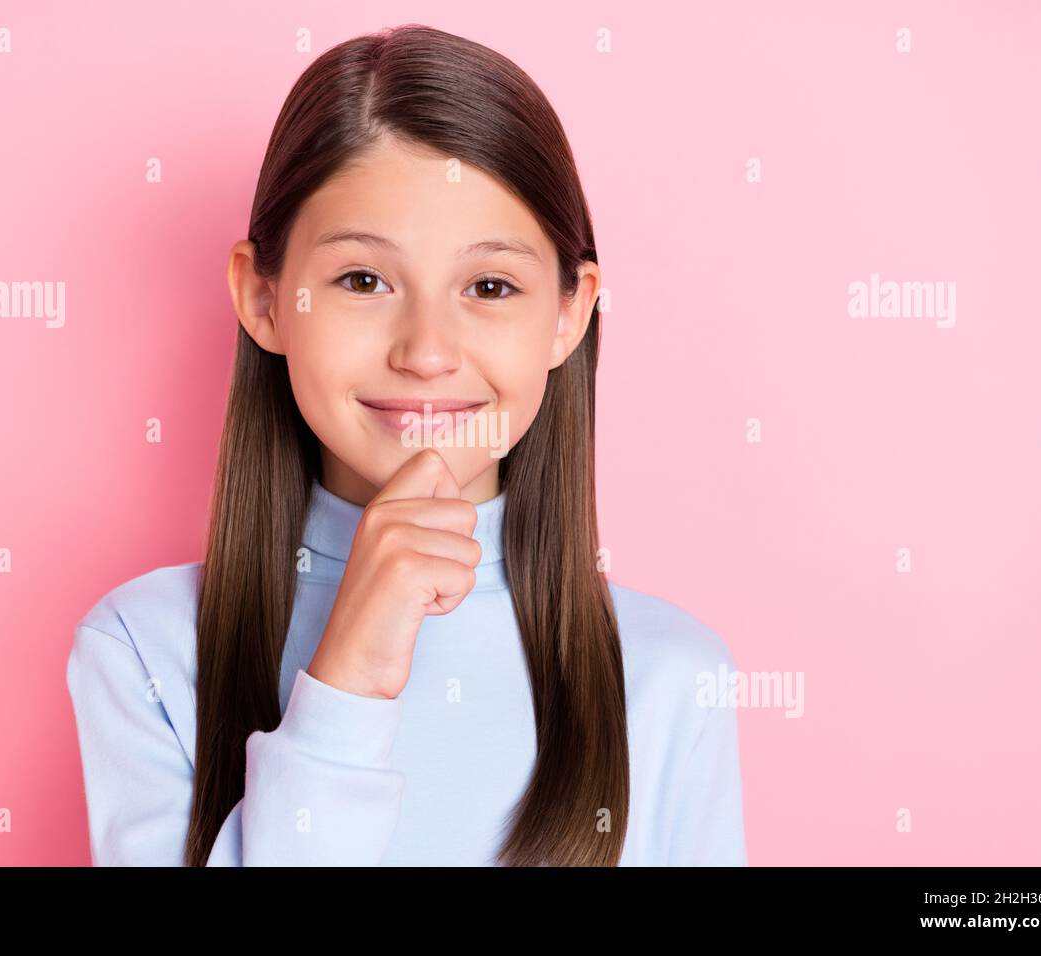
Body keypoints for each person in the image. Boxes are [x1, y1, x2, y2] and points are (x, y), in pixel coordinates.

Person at [66, 23, 746, 867]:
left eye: (490, 286)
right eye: (363, 281)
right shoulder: (147, 650)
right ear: (264, 297)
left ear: (570, 313)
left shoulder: (674, 677)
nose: (426, 351)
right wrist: (347, 679)